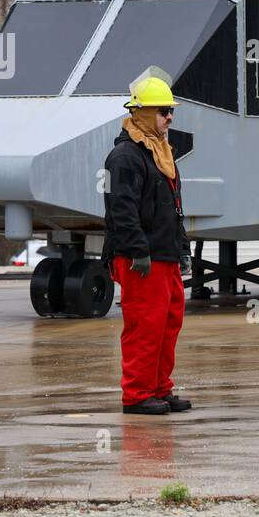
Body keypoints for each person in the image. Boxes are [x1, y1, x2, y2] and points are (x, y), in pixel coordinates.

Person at [102, 70, 193, 416]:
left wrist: (181, 248)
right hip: (142, 258)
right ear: (141, 113)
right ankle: (137, 394)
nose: (169, 117)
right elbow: (120, 210)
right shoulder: (125, 157)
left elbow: (174, 207)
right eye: (162, 111)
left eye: (171, 110)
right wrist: (137, 251)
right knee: (145, 325)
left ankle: (158, 388)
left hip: (164, 254)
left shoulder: (160, 153)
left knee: (168, 323)